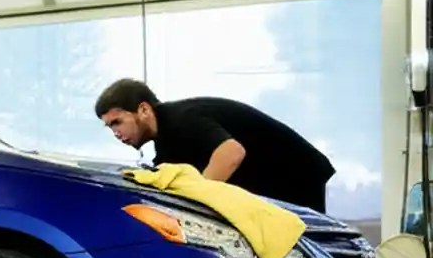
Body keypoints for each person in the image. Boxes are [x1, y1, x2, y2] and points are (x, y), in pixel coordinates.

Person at [93, 78, 335, 213]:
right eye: (110, 127)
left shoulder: (182, 117)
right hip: (280, 182)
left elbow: (231, 153)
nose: (116, 133)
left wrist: (194, 206)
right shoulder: (167, 144)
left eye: (117, 122)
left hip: (298, 177)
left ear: (143, 109)